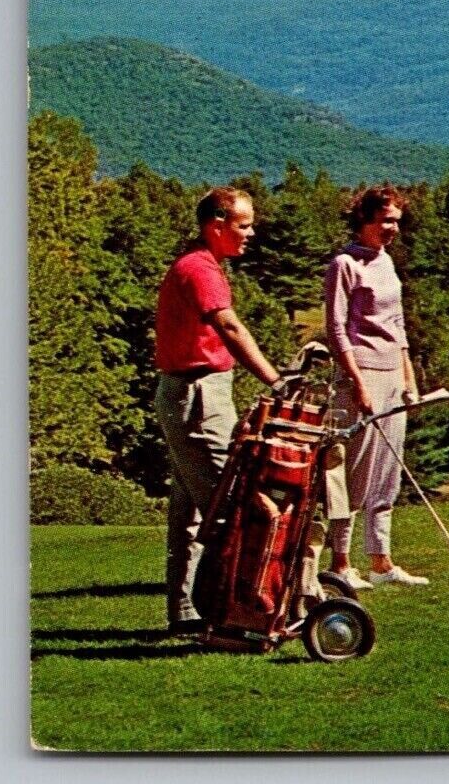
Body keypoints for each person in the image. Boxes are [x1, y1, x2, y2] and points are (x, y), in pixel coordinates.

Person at [155, 186, 287, 636]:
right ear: (217, 225)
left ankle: (186, 611)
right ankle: (231, 609)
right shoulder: (201, 270)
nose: (251, 233)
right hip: (197, 398)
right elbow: (229, 326)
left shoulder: (200, 264)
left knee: (190, 511)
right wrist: (275, 379)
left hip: (194, 394)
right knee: (229, 506)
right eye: (244, 224)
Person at [323, 184, 426, 588]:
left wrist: (409, 380)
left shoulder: (387, 263)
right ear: (365, 219)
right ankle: (342, 563)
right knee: (355, 473)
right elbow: (335, 328)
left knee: (387, 472)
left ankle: (381, 563)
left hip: (390, 376)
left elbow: (398, 327)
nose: (393, 229)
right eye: (386, 221)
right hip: (359, 374)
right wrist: (357, 382)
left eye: (397, 222)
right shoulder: (344, 264)